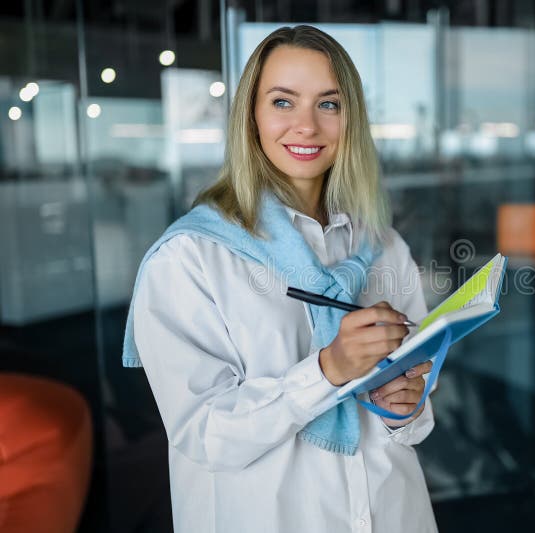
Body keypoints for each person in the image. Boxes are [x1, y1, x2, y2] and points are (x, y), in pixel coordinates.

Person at [120, 25, 438, 533]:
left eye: (329, 104)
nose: (307, 125)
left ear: (350, 118)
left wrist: (407, 407)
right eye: (283, 102)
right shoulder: (190, 259)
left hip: (393, 513)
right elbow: (205, 434)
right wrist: (328, 370)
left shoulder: (383, 245)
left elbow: (417, 399)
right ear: (251, 115)